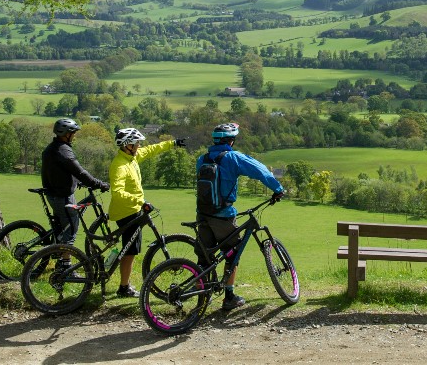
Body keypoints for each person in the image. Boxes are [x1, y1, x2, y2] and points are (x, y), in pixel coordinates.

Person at [196, 122, 285, 311]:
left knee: (204, 257)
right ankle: (229, 297)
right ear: (231, 141)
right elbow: (260, 170)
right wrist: (277, 189)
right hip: (223, 215)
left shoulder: (201, 159)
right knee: (232, 253)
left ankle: (201, 299)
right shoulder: (233, 158)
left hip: (202, 214)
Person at [108, 127, 187, 298]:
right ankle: (123, 287)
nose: (139, 146)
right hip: (127, 212)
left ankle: (122, 283)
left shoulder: (132, 157)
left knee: (129, 249)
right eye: (136, 143)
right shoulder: (120, 165)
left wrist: (173, 143)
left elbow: (152, 149)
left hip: (134, 210)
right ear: (127, 145)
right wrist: (141, 202)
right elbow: (117, 192)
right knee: (130, 251)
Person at [41, 118, 109, 271]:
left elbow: (62, 171)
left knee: (62, 227)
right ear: (65, 134)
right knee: (71, 228)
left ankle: (59, 256)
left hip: (53, 193)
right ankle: (65, 267)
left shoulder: (52, 148)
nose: (74, 136)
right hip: (62, 196)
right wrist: (99, 184)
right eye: (73, 133)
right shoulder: (64, 150)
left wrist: (76, 181)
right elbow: (80, 171)